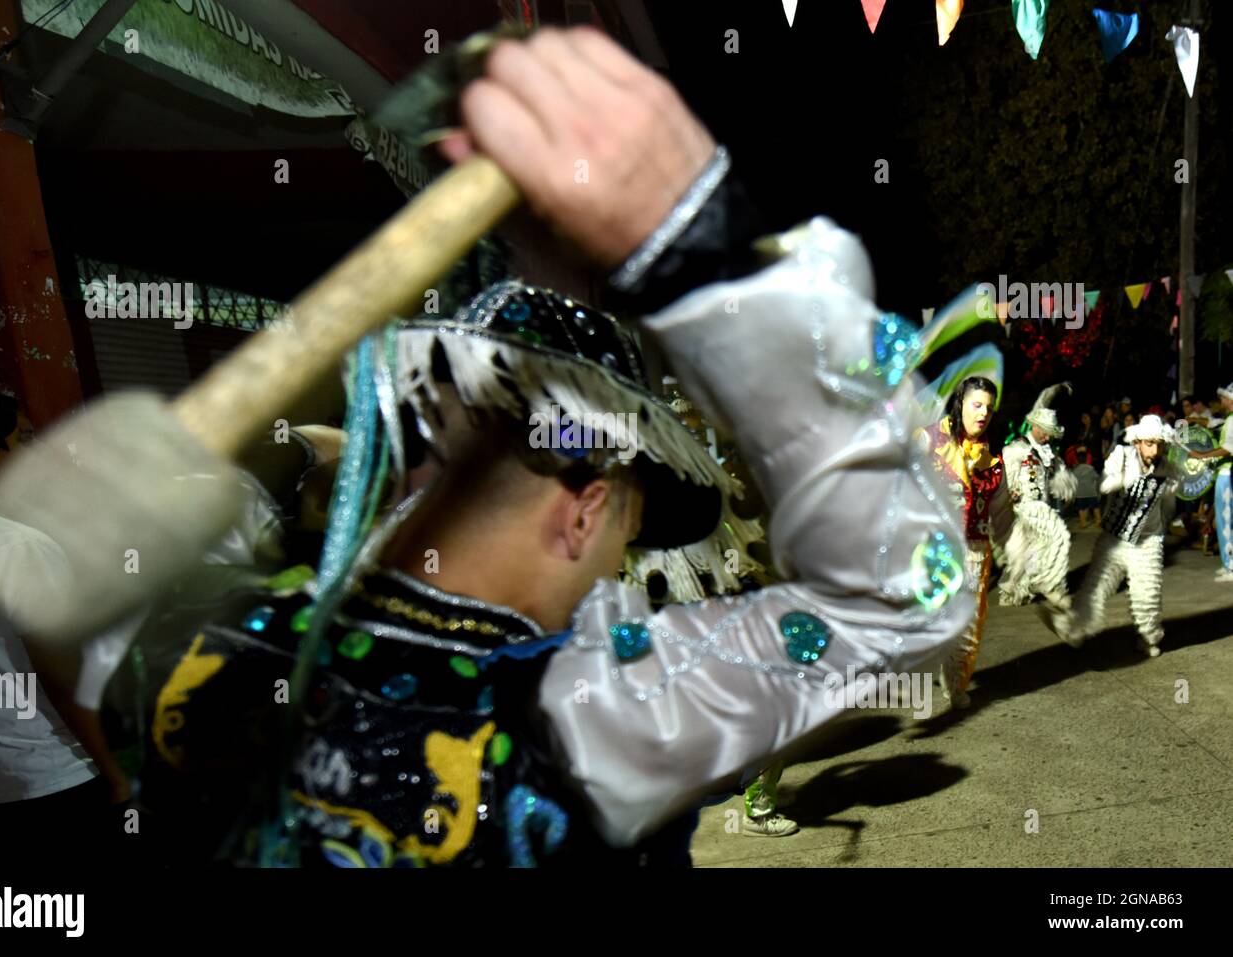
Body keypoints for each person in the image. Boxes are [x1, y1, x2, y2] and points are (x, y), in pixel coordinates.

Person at [128, 26, 974, 867]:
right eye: (629, 526)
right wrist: (697, 248)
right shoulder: (586, 711)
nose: (619, 560)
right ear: (585, 510)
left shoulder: (217, 647)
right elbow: (906, 594)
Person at [0, 377, 129, 862]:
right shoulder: (11, 543)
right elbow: (64, 674)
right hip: (44, 779)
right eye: (22, 438)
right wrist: (115, 772)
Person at [1045, 414, 1179, 657]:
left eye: (1159, 444)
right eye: (1149, 443)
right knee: (1095, 587)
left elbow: (1168, 505)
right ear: (1137, 442)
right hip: (1115, 538)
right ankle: (1073, 629)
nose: (1155, 449)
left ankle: (1149, 636)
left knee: (1146, 594)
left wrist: (1164, 521)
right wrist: (1127, 479)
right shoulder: (1122, 456)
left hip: (1148, 541)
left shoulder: (1167, 468)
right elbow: (1103, 486)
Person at [916, 377, 1013, 708]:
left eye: (989, 406)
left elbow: (1001, 512)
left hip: (974, 551)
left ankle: (957, 683)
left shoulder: (992, 459)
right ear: (961, 404)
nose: (984, 413)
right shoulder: (928, 440)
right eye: (977, 404)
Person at [998, 384, 1077, 608]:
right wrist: (1008, 492)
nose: (1045, 436)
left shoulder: (1048, 452)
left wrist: (1064, 484)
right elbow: (1006, 476)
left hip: (1042, 505)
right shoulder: (1017, 449)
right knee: (1048, 541)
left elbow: (1060, 479)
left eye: (1048, 432)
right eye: (1043, 430)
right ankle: (1046, 587)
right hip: (1024, 507)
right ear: (1034, 426)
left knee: (1033, 551)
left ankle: (1027, 588)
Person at [1184, 383, 1233, 580]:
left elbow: (1228, 448)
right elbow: (1212, 424)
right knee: (1223, 520)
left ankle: (1230, 566)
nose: (1221, 401)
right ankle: (1227, 563)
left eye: (1224, 398)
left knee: (1226, 519)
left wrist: (1202, 455)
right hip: (1225, 474)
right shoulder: (1228, 419)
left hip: (1228, 475)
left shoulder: (1232, 421)